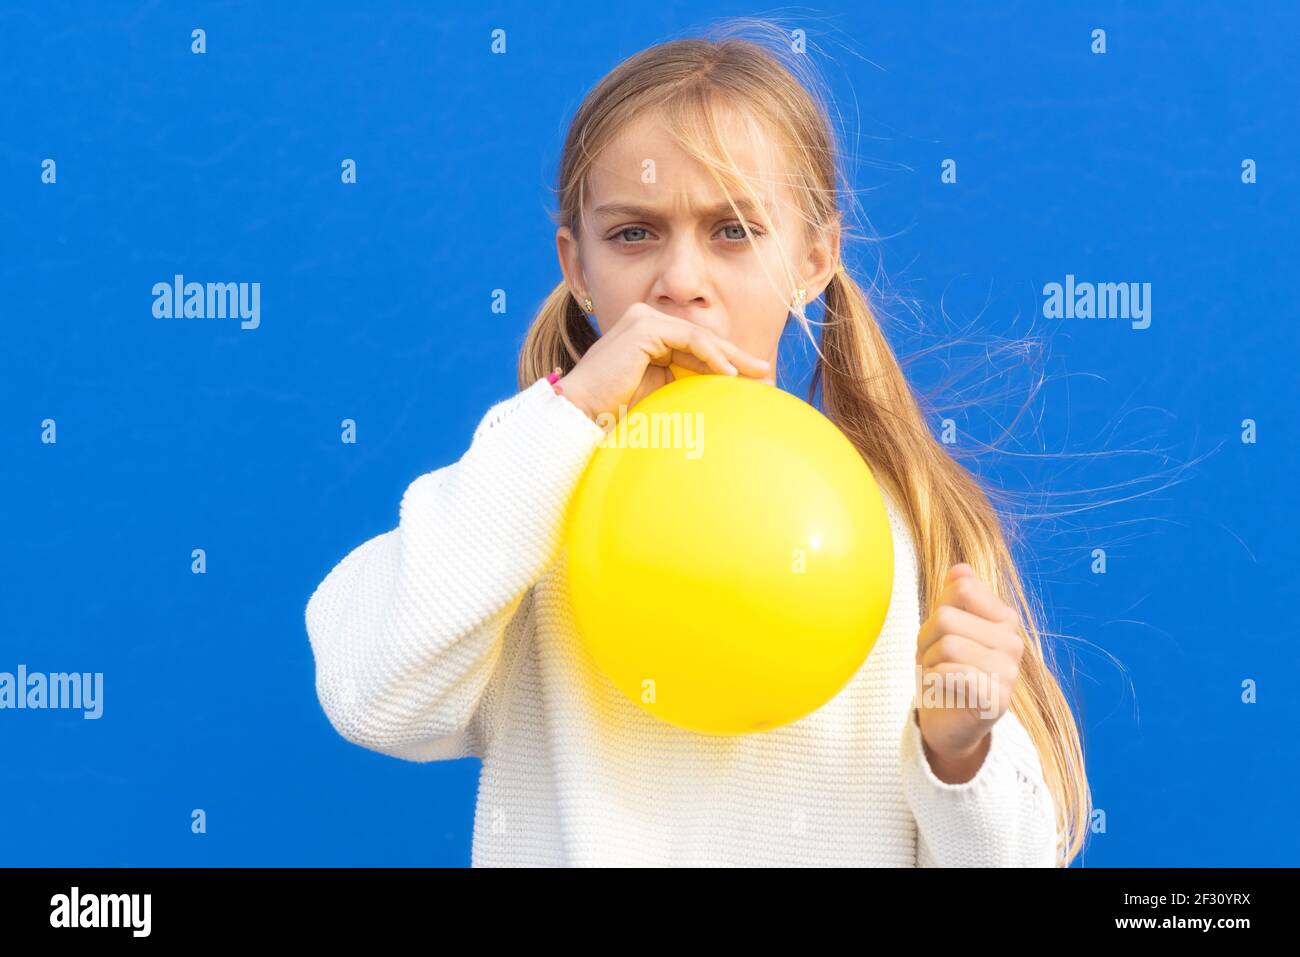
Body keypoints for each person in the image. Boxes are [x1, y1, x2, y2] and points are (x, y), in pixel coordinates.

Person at [305, 21, 1089, 867]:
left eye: (733, 231)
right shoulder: (524, 510)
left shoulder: (897, 526)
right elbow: (370, 692)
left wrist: (959, 751)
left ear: (815, 257)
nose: (681, 281)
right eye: (634, 233)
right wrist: (567, 414)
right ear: (575, 265)